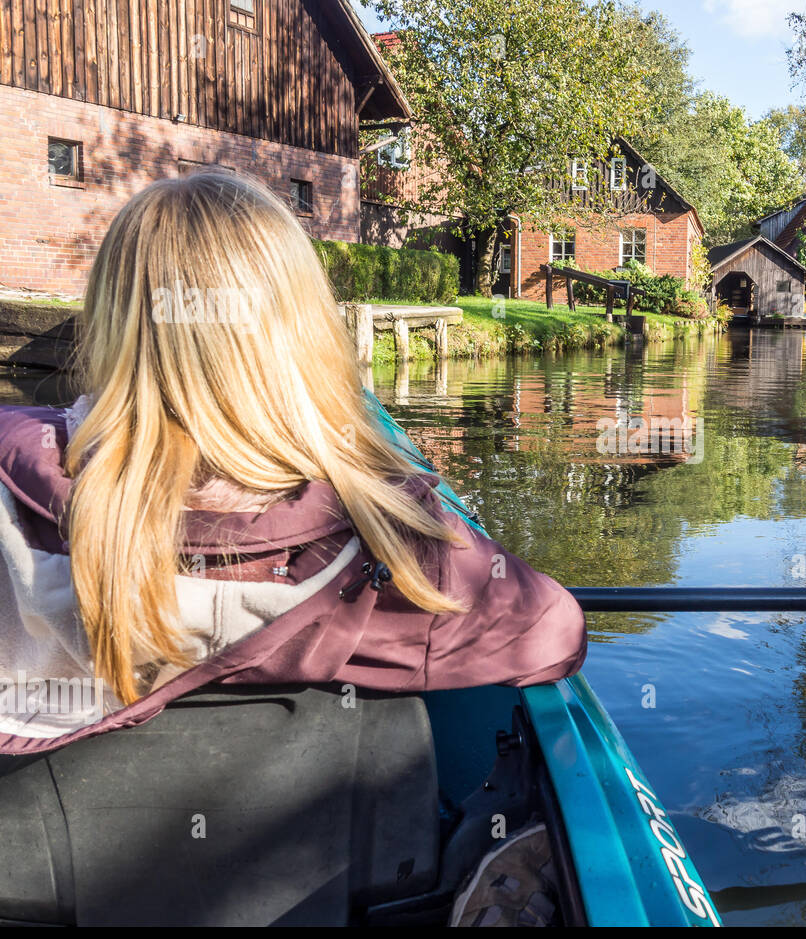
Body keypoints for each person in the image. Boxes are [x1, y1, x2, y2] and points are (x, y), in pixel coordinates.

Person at [0, 170, 586, 755]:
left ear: (111, 319)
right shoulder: (391, 534)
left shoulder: (13, 474)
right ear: (299, 327)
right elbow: (554, 632)